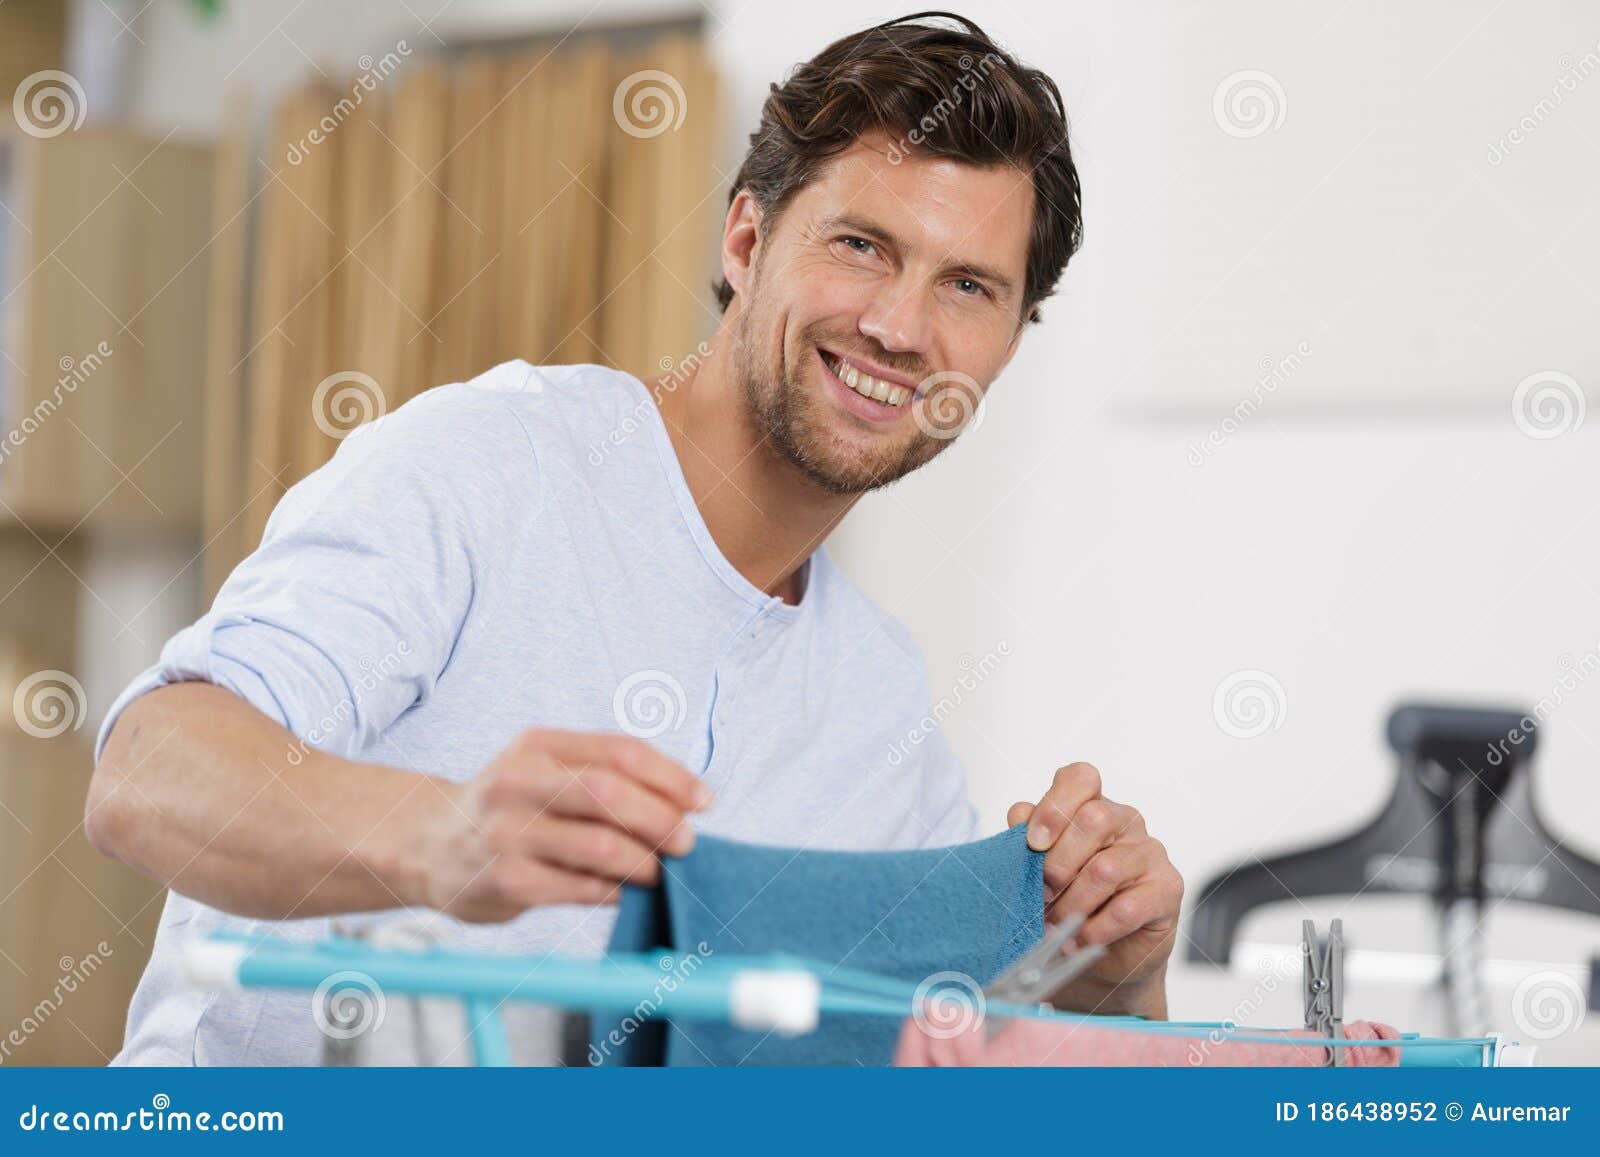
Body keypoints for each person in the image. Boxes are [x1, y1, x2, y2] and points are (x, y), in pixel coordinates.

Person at [87, 11, 1182, 1065]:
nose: (900, 327)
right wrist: (439, 837)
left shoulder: (878, 708)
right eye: (859, 244)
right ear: (747, 237)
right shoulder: (488, 465)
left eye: (968, 287)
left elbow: (957, 1068)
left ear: (1006, 341)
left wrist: (1113, 974)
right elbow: (146, 773)